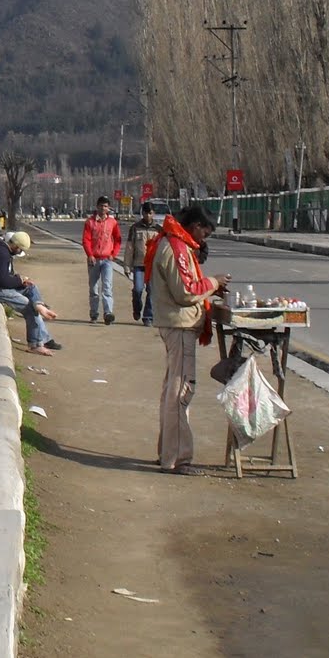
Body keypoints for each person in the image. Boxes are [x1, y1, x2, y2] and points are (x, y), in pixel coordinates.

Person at [146, 204, 230, 474]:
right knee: (180, 392)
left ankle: (168, 452)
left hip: (176, 323)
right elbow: (186, 291)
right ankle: (178, 458)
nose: (204, 239)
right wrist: (213, 283)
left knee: (172, 390)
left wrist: (209, 289)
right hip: (179, 325)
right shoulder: (176, 248)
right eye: (204, 233)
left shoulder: (172, 242)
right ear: (195, 227)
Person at [0, 227, 62, 357]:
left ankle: (39, 304)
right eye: (20, 250)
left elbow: (3, 276)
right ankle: (35, 345)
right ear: (15, 246)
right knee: (30, 308)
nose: (19, 252)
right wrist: (19, 280)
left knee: (31, 287)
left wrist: (21, 280)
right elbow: (1, 280)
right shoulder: (2, 254)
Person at [81, 196, 123, 324]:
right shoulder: (90, 222)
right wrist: (90, 255)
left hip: (107, 260)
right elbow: (86, 240)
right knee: (94, 288)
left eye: (105, 206)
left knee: (107, 287)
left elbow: (118, 239)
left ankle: (108, 313)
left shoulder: (112, 222)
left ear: (108, 208)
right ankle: (94, 314)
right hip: (93, 260)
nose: (103, 208)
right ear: (97, 206)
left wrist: (113, 254)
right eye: (101, 206)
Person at [125, 202, 162, 326]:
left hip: (152, 266)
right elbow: (130, 248)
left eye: (150, 213)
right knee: (138, 289)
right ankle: (137, 308)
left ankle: (148, 317)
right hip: (138, 265)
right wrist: (127, 266)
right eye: (146, 213)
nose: (148, 216)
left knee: (152, 291)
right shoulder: (135, 228)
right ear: (142, 213)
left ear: (154, 214)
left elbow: (163, 248)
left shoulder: (158, 229)